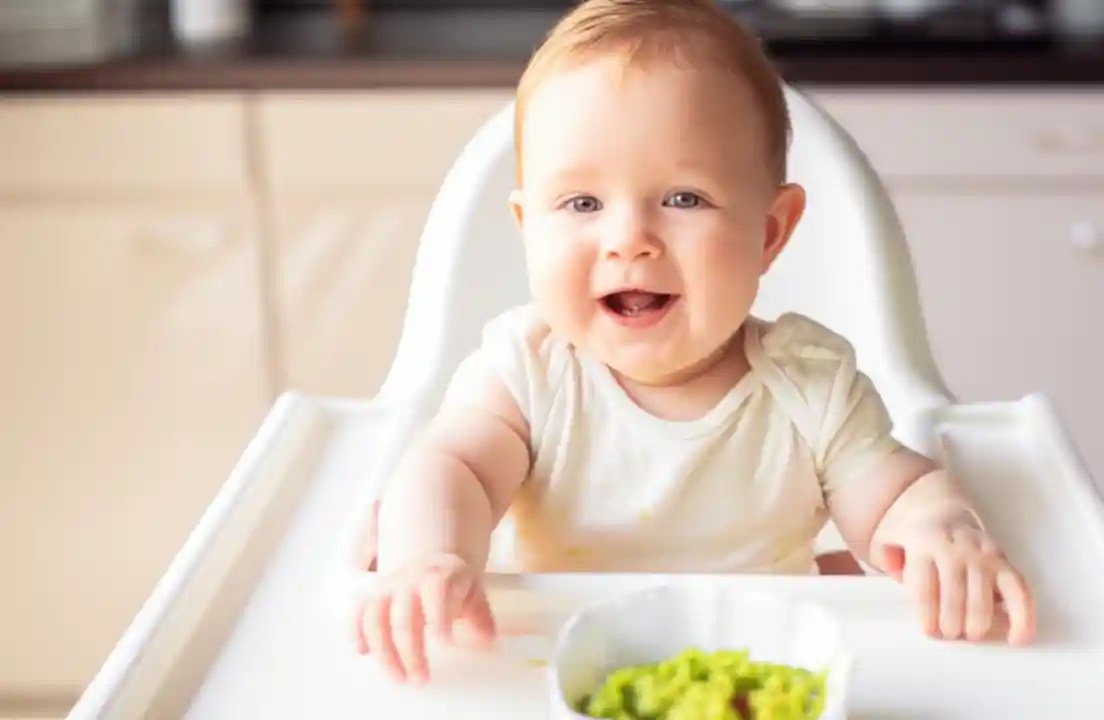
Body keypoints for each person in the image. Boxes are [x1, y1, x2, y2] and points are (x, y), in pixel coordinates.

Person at [354, 0, 1036, 685]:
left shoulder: (809, 386)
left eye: (683, 199)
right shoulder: (528, 374)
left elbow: (893, 495)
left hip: (756, 676)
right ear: (528, 227)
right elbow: (452, 469)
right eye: (583, 203)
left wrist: (939, 532)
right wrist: (428, 555)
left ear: (770, 233)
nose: (629, 239)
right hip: (554, 669)